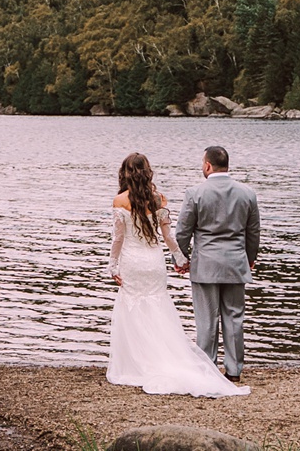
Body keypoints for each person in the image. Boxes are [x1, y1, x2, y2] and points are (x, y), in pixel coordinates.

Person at [105, 152, 249, 397]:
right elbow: (169, 238)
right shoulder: (159, 199)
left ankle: (137, 362)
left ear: (125, 173)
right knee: (158, 307)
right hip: (154, 262)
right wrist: (182, 260)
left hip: (132, 261)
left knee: (132, 309)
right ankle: (165, 358)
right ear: (147, 172)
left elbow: (118, 239)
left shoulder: (119, 201)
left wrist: (112, 266)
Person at [175, 145, 260, 381]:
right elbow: (253, 232)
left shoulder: (195, 193)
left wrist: (180, 259)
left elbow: (183, 231)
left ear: (207, 165)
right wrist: (250, 258)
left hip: (206, 266)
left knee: (206, 320)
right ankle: (234, 371)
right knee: (234, 318)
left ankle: (207, 369)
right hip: (235, 264)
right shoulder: (247, 193)